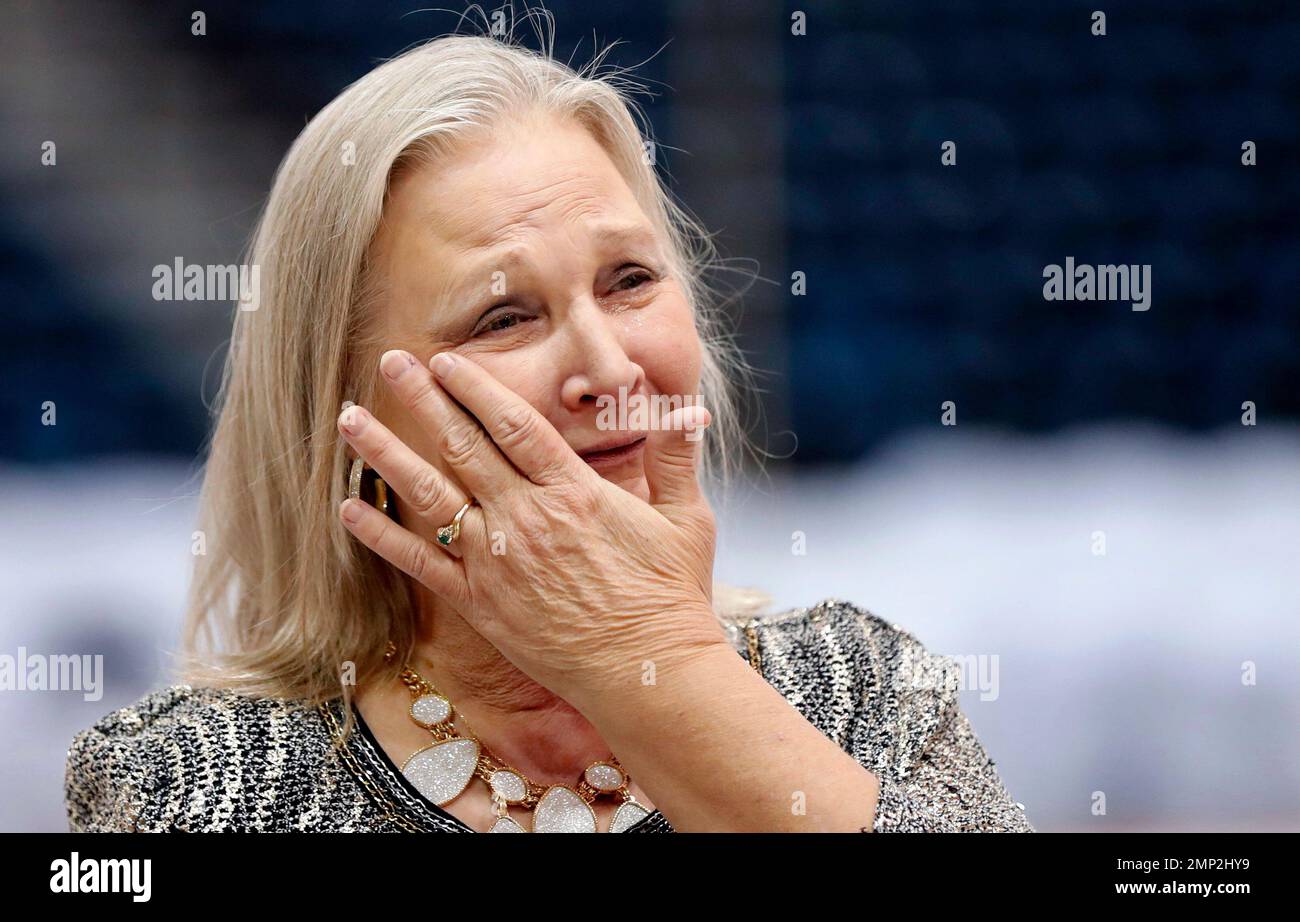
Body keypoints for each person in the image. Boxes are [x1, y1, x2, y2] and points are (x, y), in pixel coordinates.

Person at [64, 20, 1032, 834]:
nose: (610, 369)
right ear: (345, 413)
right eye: (504, 316)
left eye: (631, 281)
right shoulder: (183, 786)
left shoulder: (862, 687)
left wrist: (658, 665)